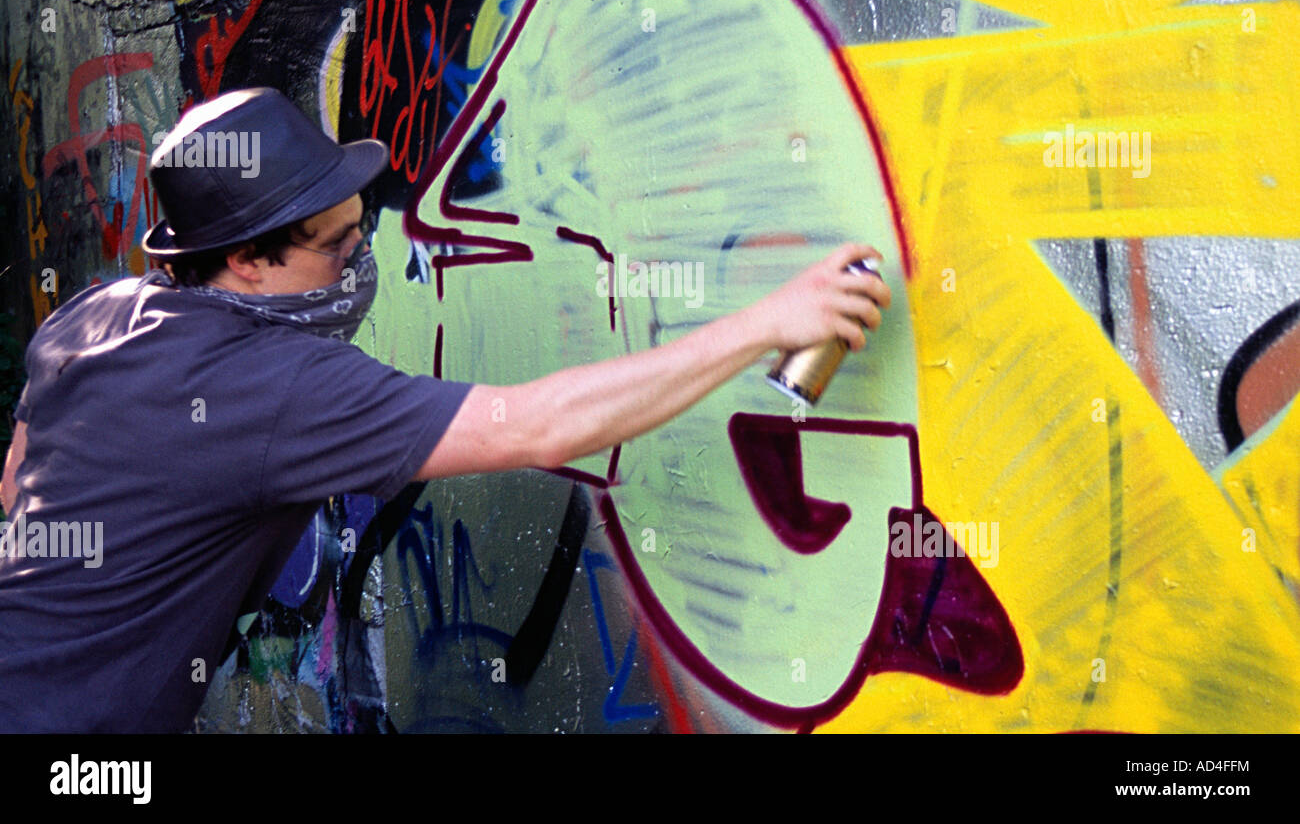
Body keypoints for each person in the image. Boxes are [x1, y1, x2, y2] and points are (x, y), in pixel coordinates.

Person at [0, 87, 891, 732]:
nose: (361, 260)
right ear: (246, 262)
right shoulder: (278, 384)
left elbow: (16, 483)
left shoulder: (97, 315)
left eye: (362, 228)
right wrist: (766, 323)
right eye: (336, 246)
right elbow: (537, 424)